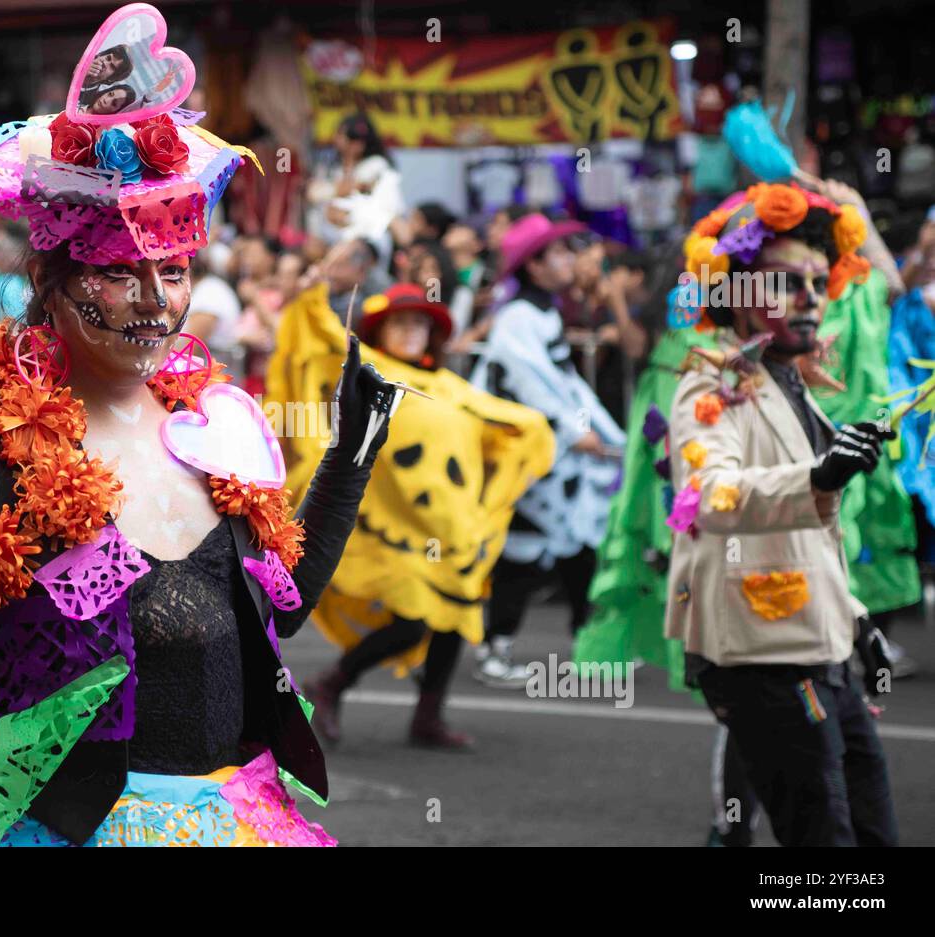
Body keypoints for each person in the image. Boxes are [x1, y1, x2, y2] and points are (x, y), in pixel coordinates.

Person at [0, 6, 398, 847]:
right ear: (47, 274)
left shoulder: (211, 415)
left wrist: (350, 460)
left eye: (174, 271)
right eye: (119, 274)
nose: (157, 303)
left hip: (228, 820)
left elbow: (280, 612)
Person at [664, 181, 898, 846]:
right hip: (763, 657)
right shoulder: (712, 384)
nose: (811, 299)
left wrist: (858, 623)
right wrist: (819, 475)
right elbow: (708, 497)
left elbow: (813, 538)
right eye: (786, 283)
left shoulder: (790, 380)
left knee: (876, 839)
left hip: (823, 649)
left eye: (820, 283)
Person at [270, 282, 553, 748]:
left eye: (418, 324)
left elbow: (506, 424)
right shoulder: (370, 377)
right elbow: (314, 345)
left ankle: (428, 717)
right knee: (413, 619)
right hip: (389, 527)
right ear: (382, 330)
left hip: (451, 528)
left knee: (454, 618)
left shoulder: (450, 387)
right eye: (399, 323)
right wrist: (311, 296)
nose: (410, 332)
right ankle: (333, 682)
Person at [469, 214, 626, 685]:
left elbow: (564, 382)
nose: (567, 260)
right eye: (555, 253)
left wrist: (603, 430)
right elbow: (531, 381)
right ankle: (493, 649)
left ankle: (588, 641)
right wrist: (573, 429)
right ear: (533, 267)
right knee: (525, 547)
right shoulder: (518, 317)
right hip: (524, 451)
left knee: (578, 542)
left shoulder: (543, 312)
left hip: (553, 450)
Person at [306, 112, 403, 259]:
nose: (337, 140)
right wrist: (339, 189)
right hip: (328, 240)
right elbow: (313, 193)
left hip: (365, 241)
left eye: (343, 137)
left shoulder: (377, 166)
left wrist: (342, 196)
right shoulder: (331, 167)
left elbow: (386, 211)